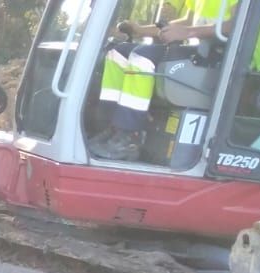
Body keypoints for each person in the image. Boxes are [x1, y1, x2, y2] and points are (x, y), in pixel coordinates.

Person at [92, 0, 231, 160]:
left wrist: (187, 33)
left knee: (142, 57)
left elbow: (238, 24)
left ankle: (130, 135)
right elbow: (187, 22)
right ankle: (114, 126)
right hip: (202, 51)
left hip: (225, 57)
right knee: (118, 53)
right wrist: (141, 30)